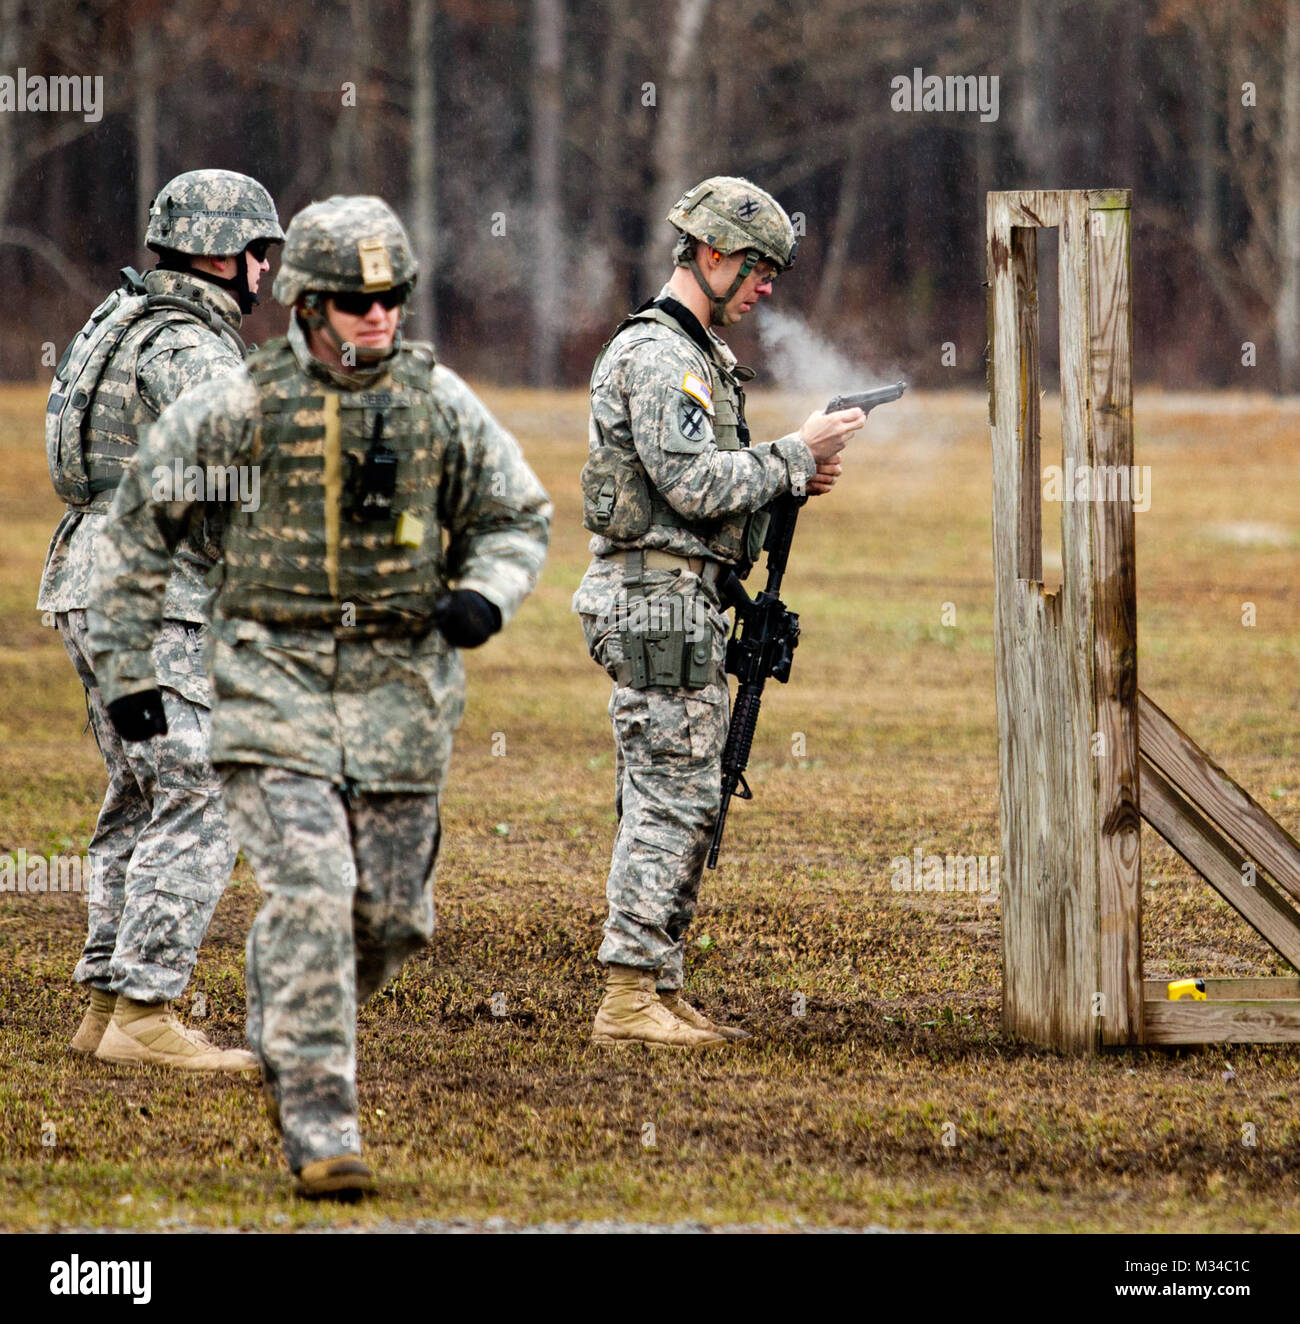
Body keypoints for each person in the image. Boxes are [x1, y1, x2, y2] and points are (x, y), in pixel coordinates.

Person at [88, 195, 551, 1199]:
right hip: (272, 684)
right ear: (304, 305)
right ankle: (321, 1125)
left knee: (392, 919)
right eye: (351, 301)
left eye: (389, 298)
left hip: (400, 697)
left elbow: (516, 515)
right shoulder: (240, 405)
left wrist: (486, 591)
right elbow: (136, 532)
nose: (374, 318)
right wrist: (131, 678)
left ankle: (282, 1004)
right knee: (311, 892)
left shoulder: (438, 405)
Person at [573, 176, 865, 1048]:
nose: (766, 287)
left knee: (687, 791)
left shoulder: (694, 355)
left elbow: (701, 496)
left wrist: (791, 476)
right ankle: (628, 997)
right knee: (671, 795)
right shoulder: (663, 357)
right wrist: (790, 454)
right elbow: (691, 484)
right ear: (711, 255)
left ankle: (656, 984)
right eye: (758, 268)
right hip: (655, 603)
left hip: (681, 598)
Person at [39, 168, 283, 1072]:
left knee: (141, 791)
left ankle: (107, 1004)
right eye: (262, 253)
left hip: (89, 582)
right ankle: (147, 1009)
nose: (268, 273)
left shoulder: (115, 323)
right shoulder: (193, 349)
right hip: (158, 597)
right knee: (200, 790)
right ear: (223, 252)